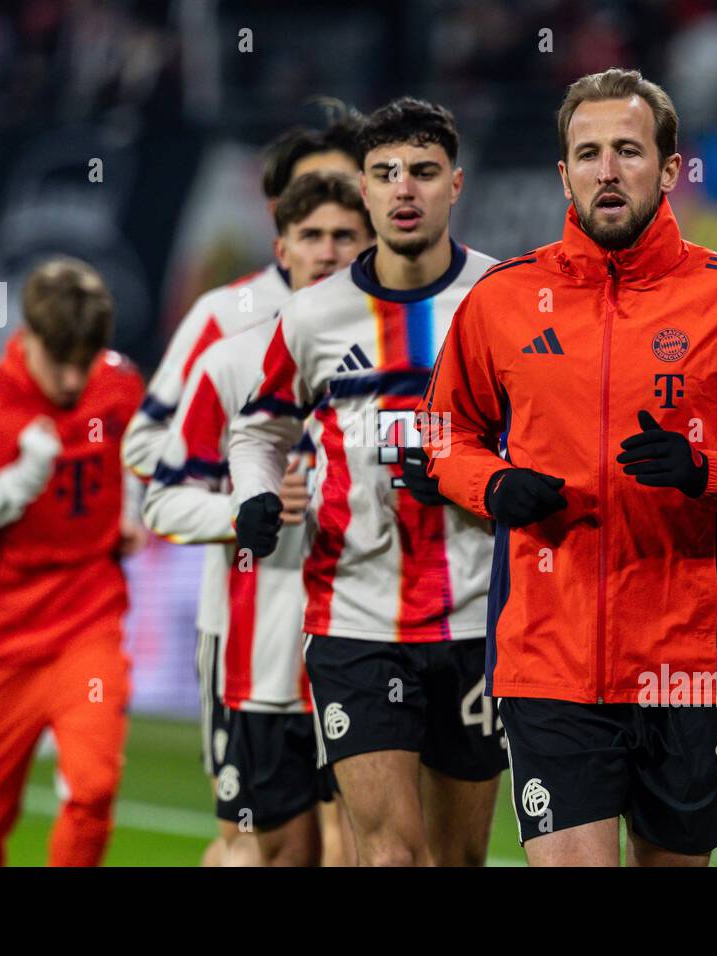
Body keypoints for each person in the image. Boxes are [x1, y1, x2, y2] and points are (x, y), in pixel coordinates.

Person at [424, 68, 717, 866]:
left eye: (627, 150)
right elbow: (443, 434)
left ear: (670, 168)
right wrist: (492, 483)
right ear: (564, 173)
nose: (607, 171)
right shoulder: (503, 300)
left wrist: (706, 473)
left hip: (688, 662)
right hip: (545, 656)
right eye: (588, 154)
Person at [230, 98, 505, 867]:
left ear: (456, 183)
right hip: (354, 618)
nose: (404, 190)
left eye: (422, 172)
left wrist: (486, 475)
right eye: (385, 174)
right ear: (365, 189)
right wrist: (254, 493)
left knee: (458, 859)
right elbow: (259, 426)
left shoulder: (504, 300)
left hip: (478, 619)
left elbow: (543, 435)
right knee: (389, 857)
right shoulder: (315, 315)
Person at [123, 111, 363, 868]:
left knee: (355, 838)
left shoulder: (400, 326)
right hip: (251, 617)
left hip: (369, 621)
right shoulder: (226, 319)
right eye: (309, 208)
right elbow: (145, 446)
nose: (326, 234)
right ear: (281, 225)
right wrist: (245, 486)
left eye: (343, 209)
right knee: (262, 843)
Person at [0, 258, 145, 866]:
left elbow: (144, 452)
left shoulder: (120, 383)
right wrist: (21, 481)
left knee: (94, 788)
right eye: (62, 360)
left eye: (86, 360)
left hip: (87, 621)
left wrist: (134, 508)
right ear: (28, 338)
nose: (74, 380)